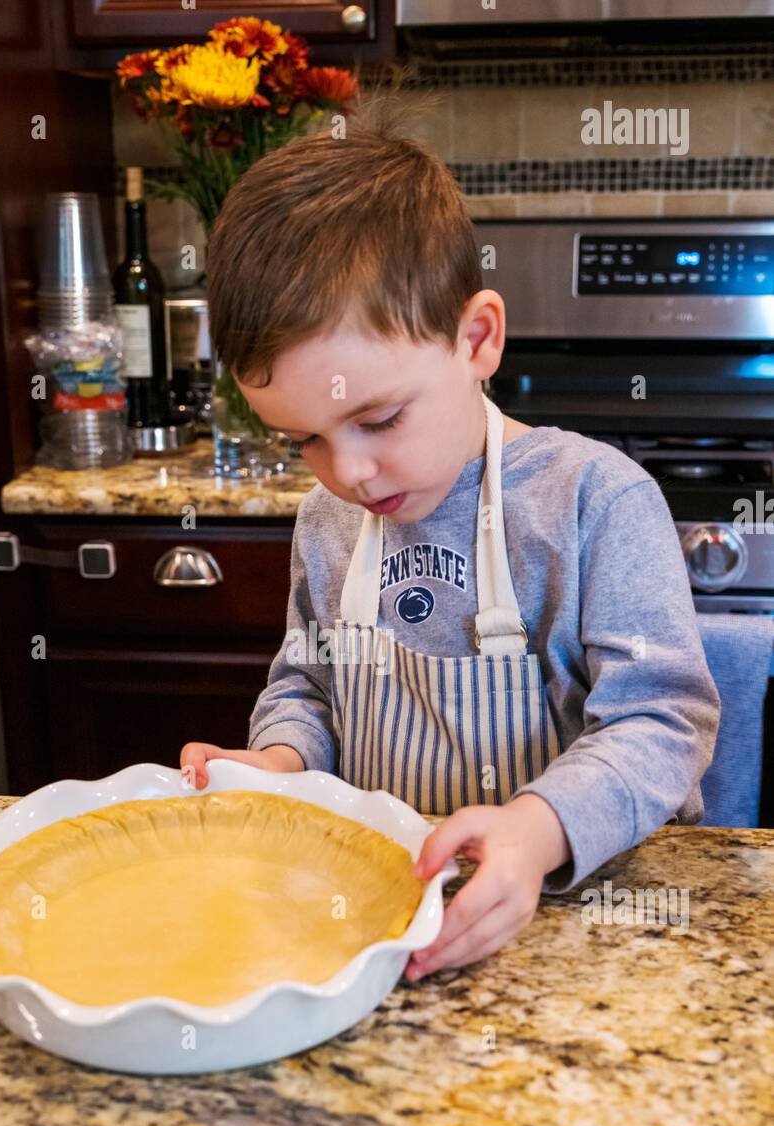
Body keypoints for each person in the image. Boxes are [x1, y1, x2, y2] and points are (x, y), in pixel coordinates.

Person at [180, 110, 720, 981]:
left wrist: (537, 829)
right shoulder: (327, 525)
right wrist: (278, 761)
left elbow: (662, 723)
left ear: (476, 339)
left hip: (578, 928)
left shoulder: (589, 501)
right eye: (304, 441)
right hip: (375, 926)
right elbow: (308, 686)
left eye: (377, 418)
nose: (347, 472)